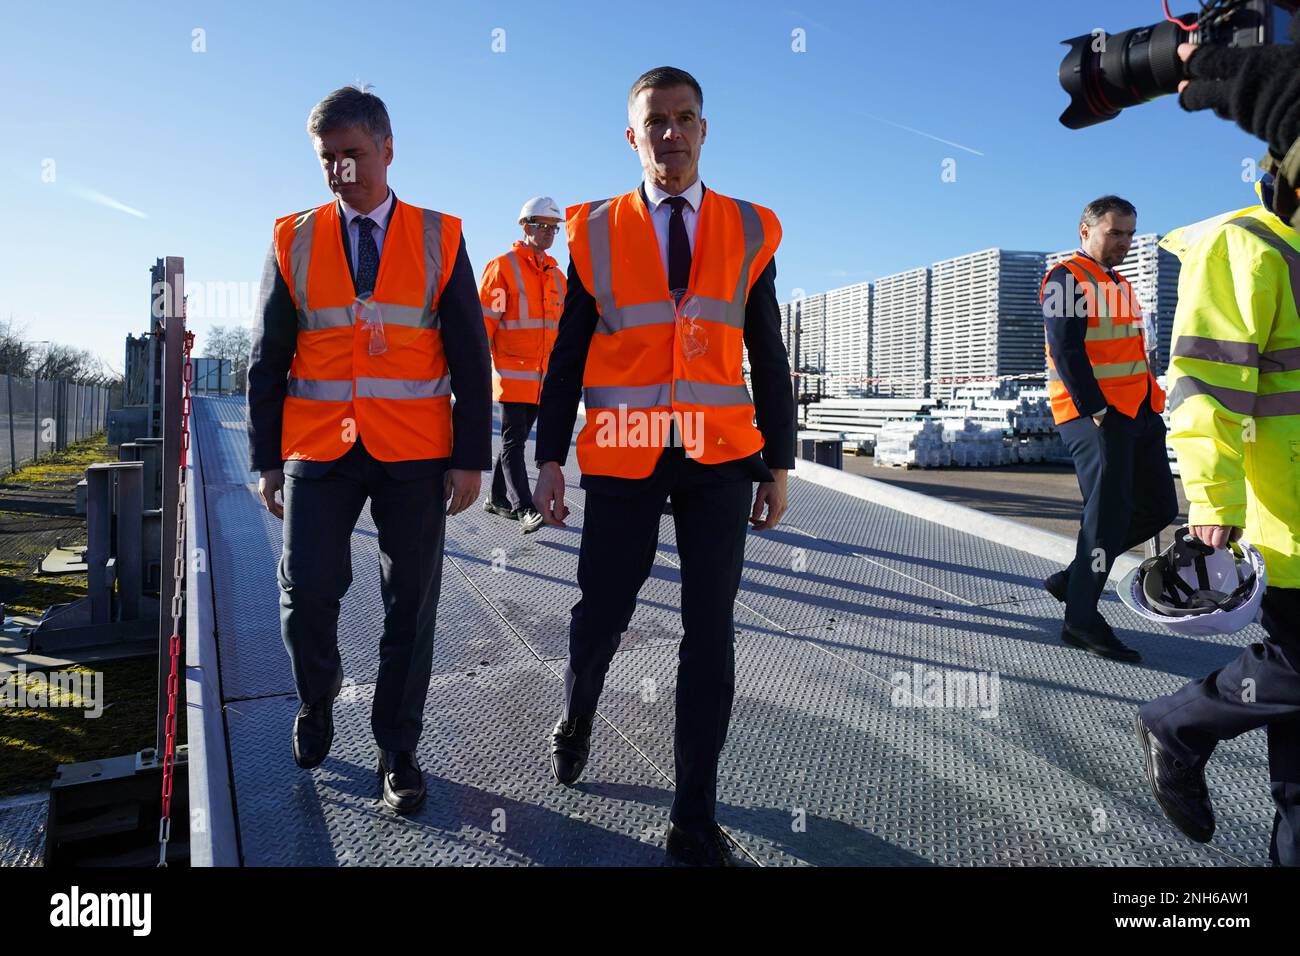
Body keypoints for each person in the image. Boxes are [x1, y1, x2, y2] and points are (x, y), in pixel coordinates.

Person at [531, 66, 796, 866]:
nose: (671, 133)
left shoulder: (750, 229)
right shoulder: (593, 230)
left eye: (685, 119)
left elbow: (767, 351)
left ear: (704, 130)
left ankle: (693, 816)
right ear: (633, 135)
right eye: (657, 121)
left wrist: (777, 462)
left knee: (709, 634)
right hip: (624, 452)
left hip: (717, 457)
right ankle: (578, 713)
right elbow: (568, 352)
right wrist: (547, 455)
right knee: (603, 614)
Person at [246, 85, 492, 815]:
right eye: (328, 159)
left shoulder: (439, 236)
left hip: (414, 452)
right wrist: (266, 459)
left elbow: (470, 354)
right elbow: (268, 357)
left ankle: (397, 750)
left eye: (353, 155)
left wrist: (471, 455)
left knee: (409, 605)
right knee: (307, 595)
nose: (340, 171)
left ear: (387, 149)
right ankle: (318, 699)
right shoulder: (292, 236)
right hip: (319, 450)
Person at [1134, 168, 1300, 866]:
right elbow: (1205, 388)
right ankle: (1180, 724)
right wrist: (1212, 500)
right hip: (1286, 519)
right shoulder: (1248, 245)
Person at [1039, 195, 1178, 662]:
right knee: (1107, 514)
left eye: (1130, 234)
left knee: (1158, 506)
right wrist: (1096, 410)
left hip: (1138, 411)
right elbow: (1066, 349)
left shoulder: (1118, 282)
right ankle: (1080, 620)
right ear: (1086, 231)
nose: (1124, 242)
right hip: (1094, 415)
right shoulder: (1067, 278)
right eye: (1114, 232)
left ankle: (1074, 579)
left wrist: (1145, 407)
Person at [479, 197, 567, 534]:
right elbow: (484, 322)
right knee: (514, 442)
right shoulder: (503, 267)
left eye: (553, 228)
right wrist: (474, 371)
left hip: (542, 379)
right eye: (541, 226)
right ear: (525, 227)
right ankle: (524, 507)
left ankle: (497, 498)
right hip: (512, 374)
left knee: (516, 439)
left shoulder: (559, 278)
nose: (547, 233)